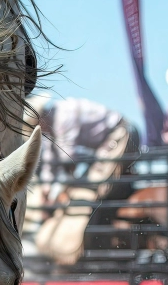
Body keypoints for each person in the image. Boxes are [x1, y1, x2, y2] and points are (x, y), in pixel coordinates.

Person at [24, 94, 141, 263]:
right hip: (107, 144)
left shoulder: (64, 117)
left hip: (121, 135)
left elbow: (67, 160)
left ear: (40, 117)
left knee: (91, 189)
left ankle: (87, 246)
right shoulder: (51, 128)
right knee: (85, 185)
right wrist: (47, 190)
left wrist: (55, 193)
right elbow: (51, 162)